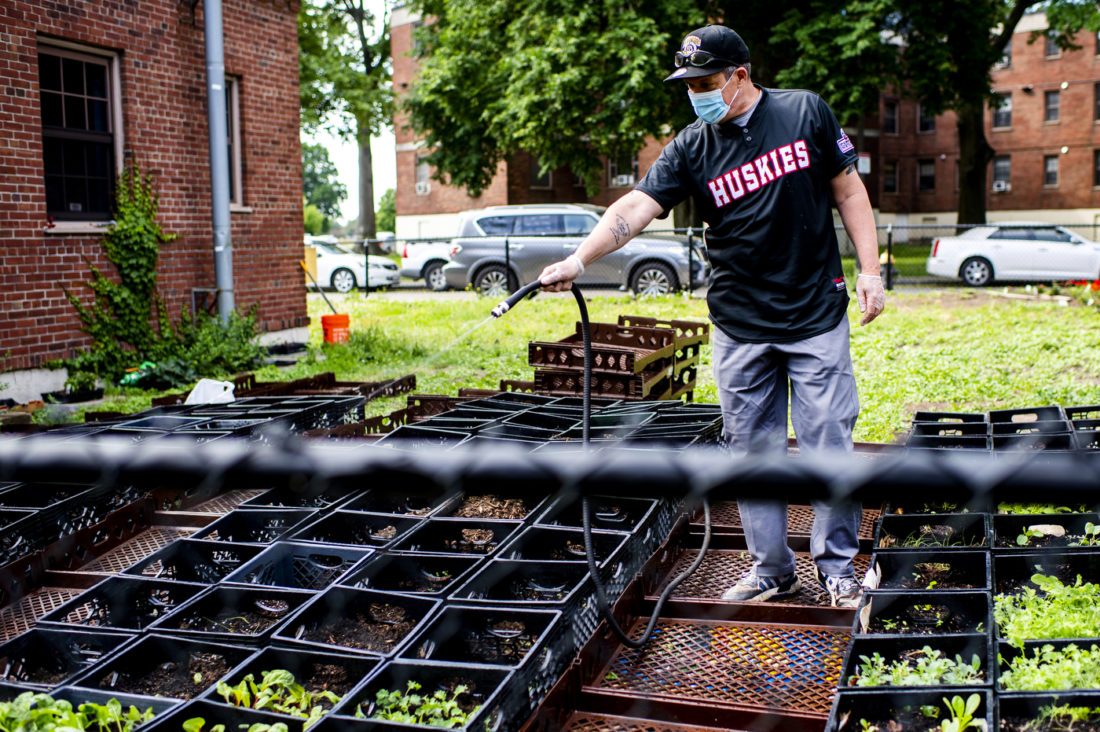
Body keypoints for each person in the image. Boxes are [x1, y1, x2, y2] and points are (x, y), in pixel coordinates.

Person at [537, 24, 886, 609]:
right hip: (739, 321)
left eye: (704, 82)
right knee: (752, 451)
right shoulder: (692, 145)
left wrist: (871, 271)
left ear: (740, 76)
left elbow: (849, 192)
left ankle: (838, 569)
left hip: (815, 312)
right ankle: (773, 572)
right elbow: (634, 208)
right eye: (688, 84)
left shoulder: (805, 113)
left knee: (828, 441)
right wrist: (577, 258)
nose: (695, 94)